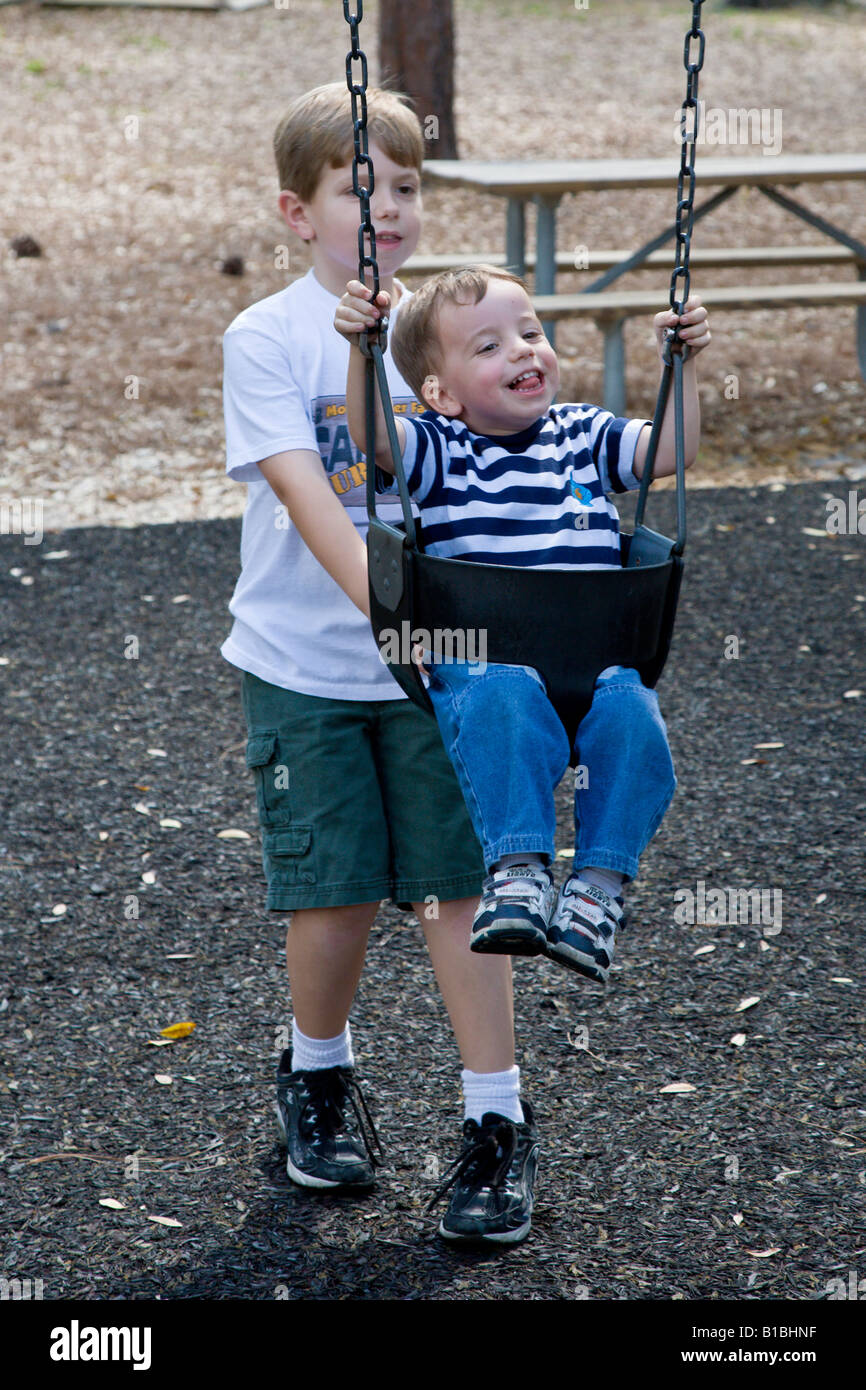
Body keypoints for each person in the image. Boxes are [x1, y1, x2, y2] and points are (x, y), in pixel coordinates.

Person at [221, 86, 539, 1246]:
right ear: (296, 215)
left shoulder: (442, 330)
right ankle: (316, 1071)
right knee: (334, 891)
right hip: (304, 663)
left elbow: (519, 455)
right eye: (362, 186)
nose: (390, 205)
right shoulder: (264, 338)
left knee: (466, 891)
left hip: (443, 665)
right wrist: (396, 613)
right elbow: (310, 497)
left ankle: (495, 1120)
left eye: (406, 185)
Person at [336, 263, 710, 985]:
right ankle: (520, 871)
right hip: (485, 659)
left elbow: (671, 451)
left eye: (531, 333)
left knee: (636, 720)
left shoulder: (585, 435)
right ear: (440, 394)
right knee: (500, 697)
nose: (522, 351)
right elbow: (374, 437)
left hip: (596, 658)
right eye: (488, 347)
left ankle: (599, 890)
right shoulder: (439, 451)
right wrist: (364, 353)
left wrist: (683, 366)